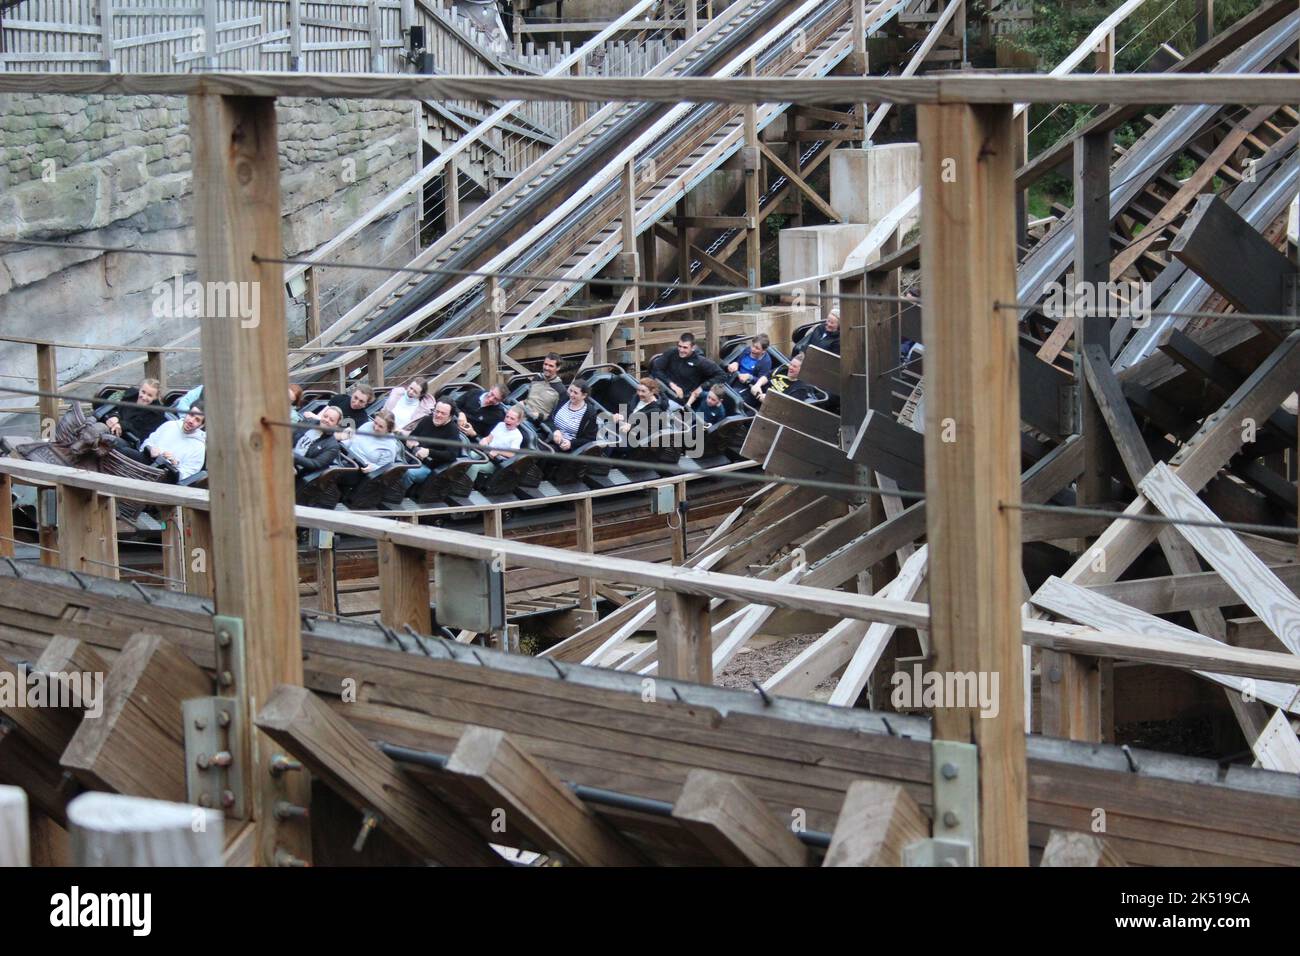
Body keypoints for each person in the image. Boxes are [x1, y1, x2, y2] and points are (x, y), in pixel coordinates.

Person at [649, 332, 725, 408]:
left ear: (693, 347)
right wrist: (671, 384)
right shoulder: (672, 352)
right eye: (679, 346)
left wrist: (700, 388)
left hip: (679, 399)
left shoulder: (700, 361)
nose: (681, 350)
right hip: (662, 390)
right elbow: (656, 369)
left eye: (685, 347)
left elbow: (721, 375)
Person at [401, 400, 463, 490]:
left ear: (450, 416)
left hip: (429, 467)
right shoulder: (427, 420)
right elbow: (413, 436)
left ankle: (395, 496)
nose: (438, 415)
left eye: (443, 413)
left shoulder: (452, 430)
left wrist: (429, 452)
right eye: (437, 411)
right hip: (412, 457)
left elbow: (452, 454)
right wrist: (411, 441)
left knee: (408, 473)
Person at [138, 404, 207, 481]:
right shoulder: (170, 425)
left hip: (165, 477)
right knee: (123, 448)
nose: (191, 421)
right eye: (191, 415)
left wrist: (175, 464)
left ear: (201, 425)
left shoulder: (199, 448)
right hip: (147, 460)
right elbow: (146, 443)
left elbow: (187, 477)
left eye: (197, 420)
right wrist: (150, 448)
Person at [467, 406, 525, 486]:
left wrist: (498, 451)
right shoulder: (500, 425)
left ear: (518, 422)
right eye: (507, 417)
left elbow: (512, 454)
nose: (508, 420)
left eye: (512, 419)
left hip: (495, 462)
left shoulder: (517, 436)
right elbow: (489, 438)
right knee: (467, 455)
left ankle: (465, 487)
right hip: (485, 453)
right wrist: (485, 440)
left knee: (474, 467)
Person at [100, 377, 166, 442]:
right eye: (143, 392)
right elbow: (117, 408)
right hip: (109, 425)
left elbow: (144, 437)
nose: (144, 397)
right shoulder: (130, 396)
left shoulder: (156, 414)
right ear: (139, 389)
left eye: (149, 395)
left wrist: (121, 425)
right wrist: (115, 416)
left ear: (155, 398)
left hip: (128, 440)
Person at [292, 404, 343, 476]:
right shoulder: (309, 421)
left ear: (336, 425)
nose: (326, 420)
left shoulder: (333, 446)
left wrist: (293, 457)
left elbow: (316, 463)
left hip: (298, 469)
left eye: (331, 420)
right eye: (325, 416)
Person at [549, 382, 600, 452]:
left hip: (563, 446)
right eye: (571, 391)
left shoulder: (589, 413)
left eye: (575, 393)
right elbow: (549, 417)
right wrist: (555, 430)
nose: (571, 394)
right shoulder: (564, 398)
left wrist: (571, 443)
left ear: (584, 395)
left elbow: (590, 438)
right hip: (548, 434)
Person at [519, 353, 567, 424]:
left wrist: (539, 416)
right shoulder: (537, 378)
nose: (546, 368)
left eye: (551, 366)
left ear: (558, 368)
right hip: (523, 411)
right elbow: (529, 398)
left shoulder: (561, 390)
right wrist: (523, 402)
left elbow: (556, 416)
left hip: (537, 421)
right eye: (545, 364)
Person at [305, 383, 375, 429]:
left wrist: (314, 417)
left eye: (361, 401)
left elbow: (346, 435)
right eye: (355, 397)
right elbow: (321, 415)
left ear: (366, 404)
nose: (356, 403)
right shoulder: (340, 398)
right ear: (352, 393)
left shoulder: (362, 419)